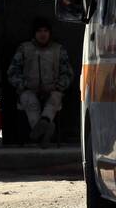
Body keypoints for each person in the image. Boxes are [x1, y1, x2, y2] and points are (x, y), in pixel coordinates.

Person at [7, 18, 73, 146]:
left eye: (45, 31)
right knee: (29, 101)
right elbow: (12, 72)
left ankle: (43, 125)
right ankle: (44, 134)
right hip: (29, 89)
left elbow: (68, 74)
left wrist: (59, 86)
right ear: (34, 33)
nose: (42, 34)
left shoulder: (58, 49)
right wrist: (23, 85)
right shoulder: (24, 49)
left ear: (50, 33)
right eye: (39, 31)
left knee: (55, 99)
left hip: (53, 89)